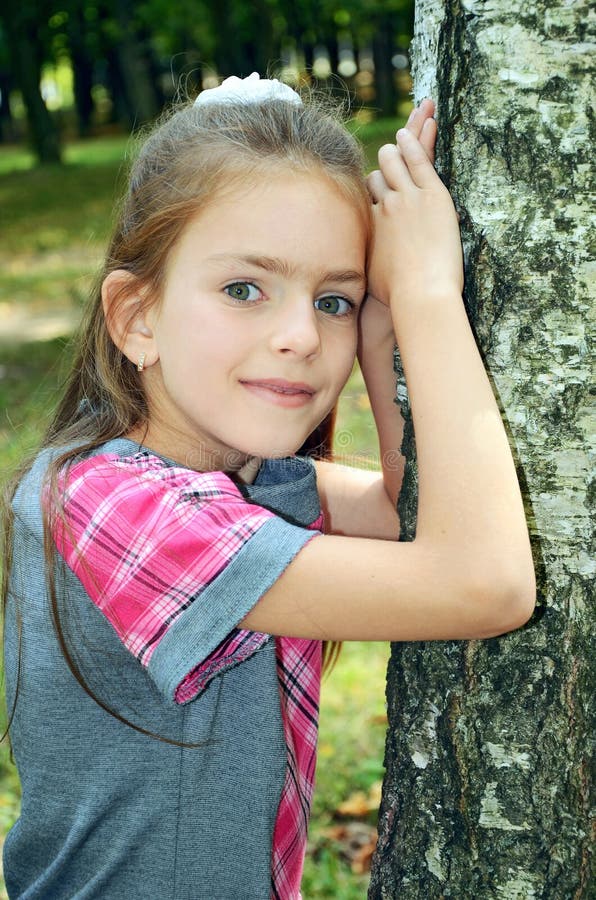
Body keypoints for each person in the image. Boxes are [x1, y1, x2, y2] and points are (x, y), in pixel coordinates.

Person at [1, 73, 535, 899]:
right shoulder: (113, 505)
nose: (298, 337)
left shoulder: (244, 487)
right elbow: (484, 583)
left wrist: (386, 318)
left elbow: (407, 516)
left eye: (332, 300)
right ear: (137, 318)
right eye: (244, 288)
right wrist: (432, 300)